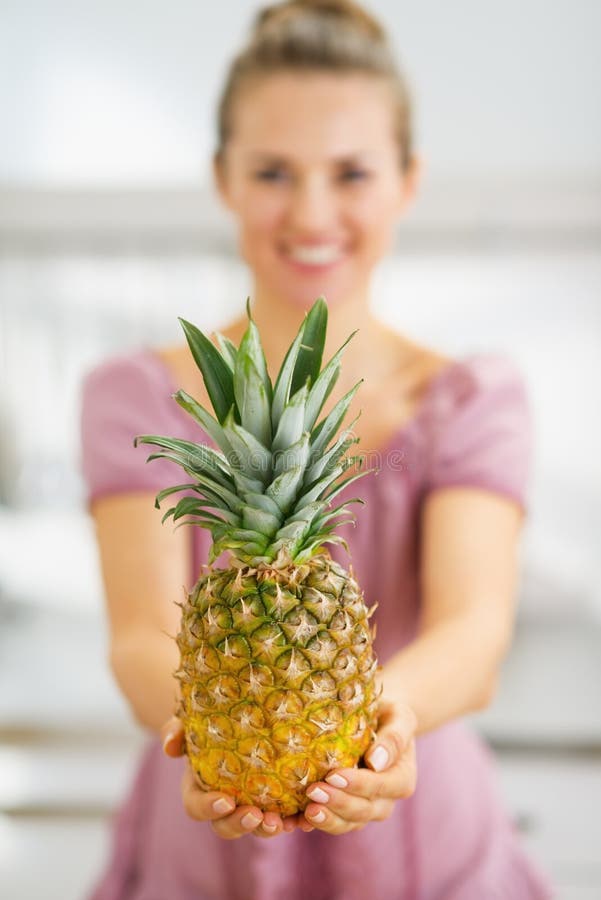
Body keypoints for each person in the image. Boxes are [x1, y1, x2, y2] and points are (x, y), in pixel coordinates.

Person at [80, 1, 554, 897]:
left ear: (408, 180)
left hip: (425, 842)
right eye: (271, 171)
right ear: (221, 177)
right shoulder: (138, 395)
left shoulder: (467, 398)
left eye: (351, 172)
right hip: (203, 833)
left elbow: (474, 631)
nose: (310, 211)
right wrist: (210, 731)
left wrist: (386, 722)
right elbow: (141, 635)